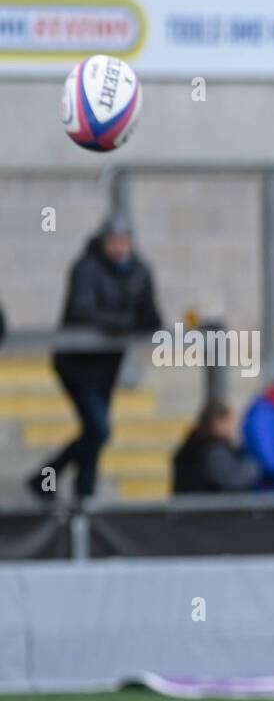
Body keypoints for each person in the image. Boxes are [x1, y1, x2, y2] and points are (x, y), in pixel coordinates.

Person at [27, 215, 161, 501]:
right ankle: (54, 480)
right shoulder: (86, 268)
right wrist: (124, 323)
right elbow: (83, 311)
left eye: (124, 241)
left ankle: (79, 494)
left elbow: (151, 315)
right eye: (114, 241)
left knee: (95, 433)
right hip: (77, 365)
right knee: (99, 429)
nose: (120, 248)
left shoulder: (138, 270)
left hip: (107, 365)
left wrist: (128, 323)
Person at [172, 402, 261, 494]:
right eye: (229, 422)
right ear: (217, 422)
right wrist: (256, 466)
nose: (232, 427)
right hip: (205, 506)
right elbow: (232, 480)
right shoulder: (212, 450)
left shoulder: (193, 446)